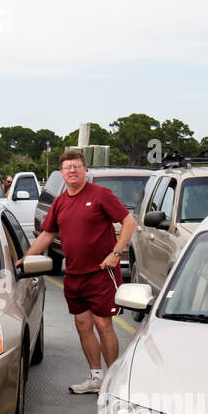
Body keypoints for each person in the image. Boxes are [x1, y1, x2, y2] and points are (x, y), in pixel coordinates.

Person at [22, 149, 137, 395]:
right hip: (73, 275)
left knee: (103, 323)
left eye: (77, 166)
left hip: (100, 273)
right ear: (61, 173)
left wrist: (116, 253)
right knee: (82, 324)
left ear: (85, 170)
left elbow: (129, 222)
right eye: (67, 167)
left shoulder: (101, 195)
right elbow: (47, 234)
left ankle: (114, 382)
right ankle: (96, 377)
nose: (72, 170)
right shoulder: (60, 202)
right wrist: (26, 259)